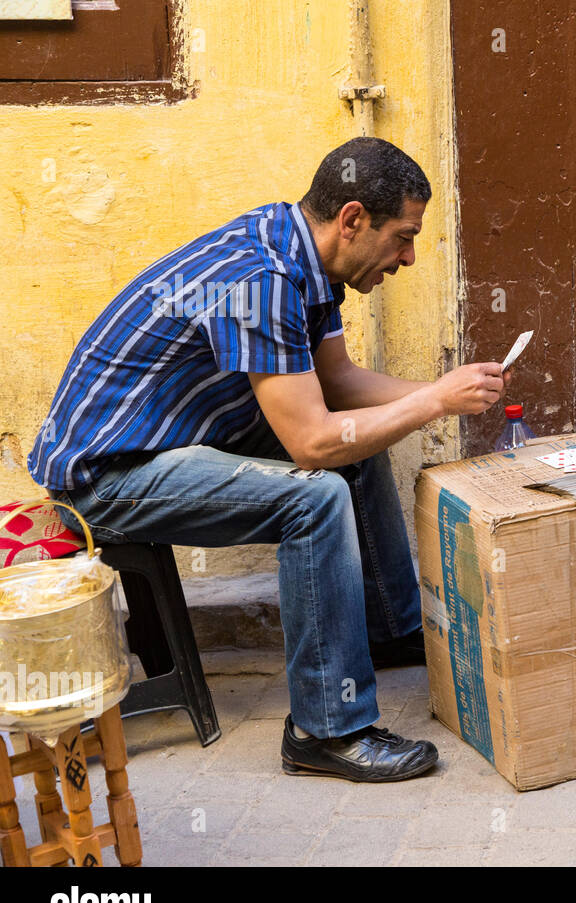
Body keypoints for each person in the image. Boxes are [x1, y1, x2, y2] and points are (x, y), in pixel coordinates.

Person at [28, 137, 512, 783]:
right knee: (315, 494)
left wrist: (444, 393)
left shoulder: (304, 259)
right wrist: (433, 405)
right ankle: (324, 730)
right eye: (403, 236)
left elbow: (336, 384)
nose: (409, 256)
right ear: (351, 220)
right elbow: (312, 444)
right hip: (111, 476)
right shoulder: (258, 279)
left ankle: (387, 629)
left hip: (171, 439)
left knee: (358, 446)